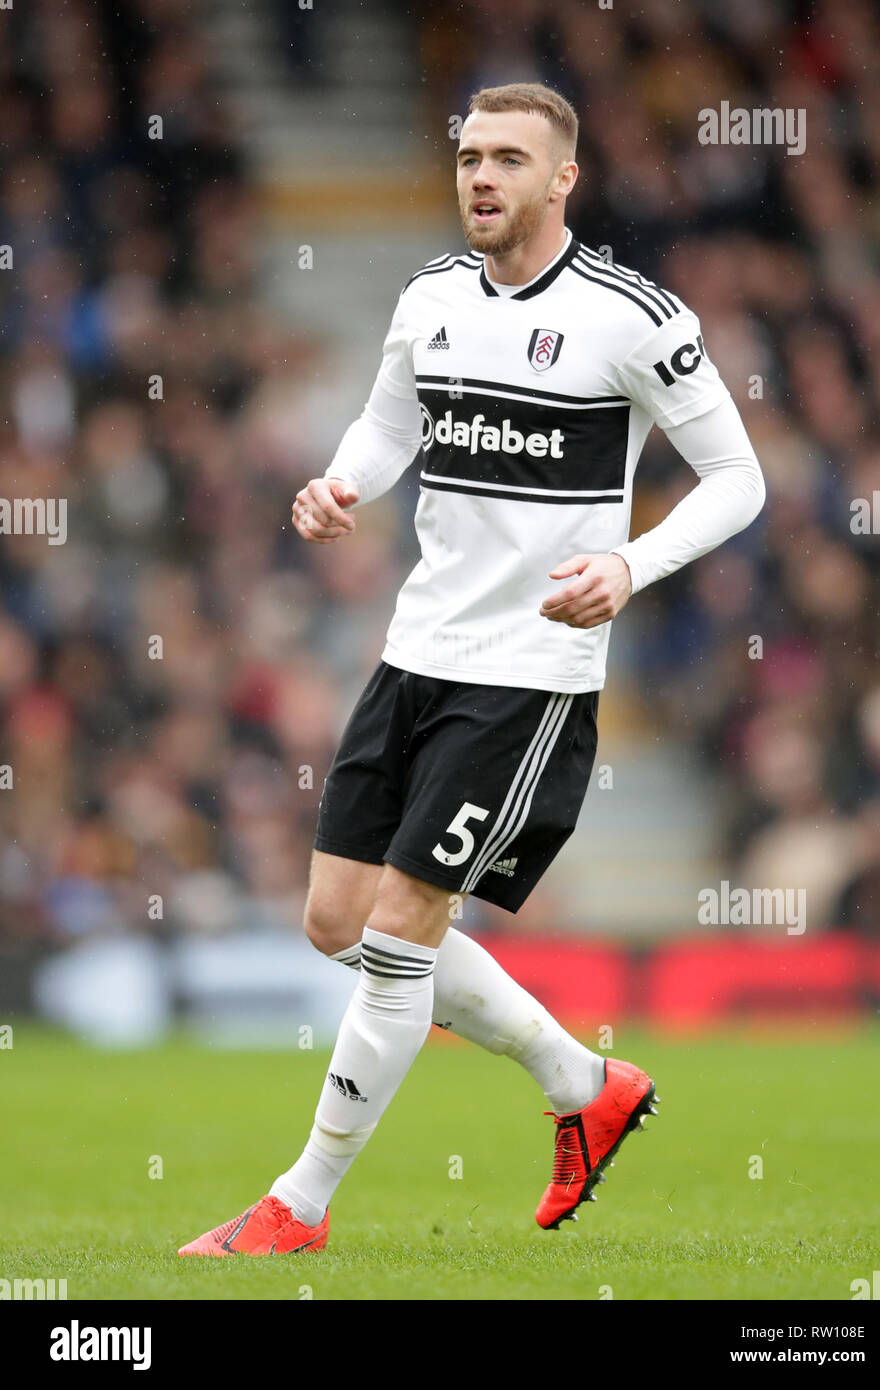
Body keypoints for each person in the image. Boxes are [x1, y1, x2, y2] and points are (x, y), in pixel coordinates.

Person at [179, 81, 765, 1257]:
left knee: (399, 935)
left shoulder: (632, 317)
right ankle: (580, 1081)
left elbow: (740, 476)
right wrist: (342, 486)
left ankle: (299, 1205)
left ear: (562, 181)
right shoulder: (429, 298)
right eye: (469, 157)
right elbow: (390, 426)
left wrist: (633, 566)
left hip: (530, 672)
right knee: (334, 919)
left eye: (508, 159)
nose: (481, 177)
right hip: (416, 650)